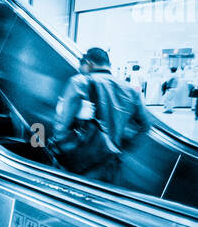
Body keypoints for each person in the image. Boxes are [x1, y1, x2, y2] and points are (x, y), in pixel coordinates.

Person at [51, 47, 151, 183]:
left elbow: (62, 125)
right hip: (111, 163)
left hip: (80, 164)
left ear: (88, 62)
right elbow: (145, 127)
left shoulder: (79, 82)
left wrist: (61, 146)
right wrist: (121, 148)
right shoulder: (131, 91)